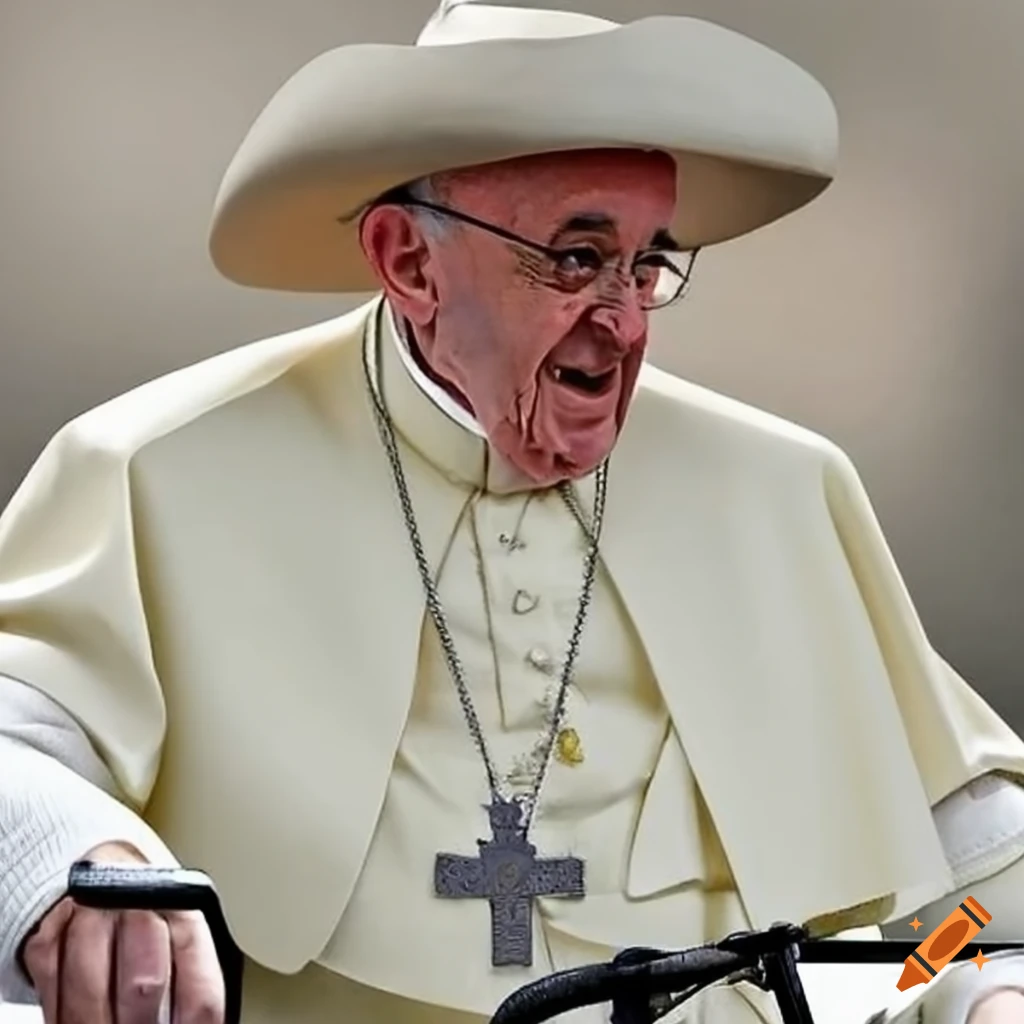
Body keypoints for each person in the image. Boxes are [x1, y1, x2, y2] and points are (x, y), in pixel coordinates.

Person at [1, 1, 1024, 1021]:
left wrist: (973, 986)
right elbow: (14, 749)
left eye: (647, 265)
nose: (624, 322)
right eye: (576, 258)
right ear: (409, 262)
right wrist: (77, 860)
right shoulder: (157, 468)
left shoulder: (779, 489)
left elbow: (983, 881)